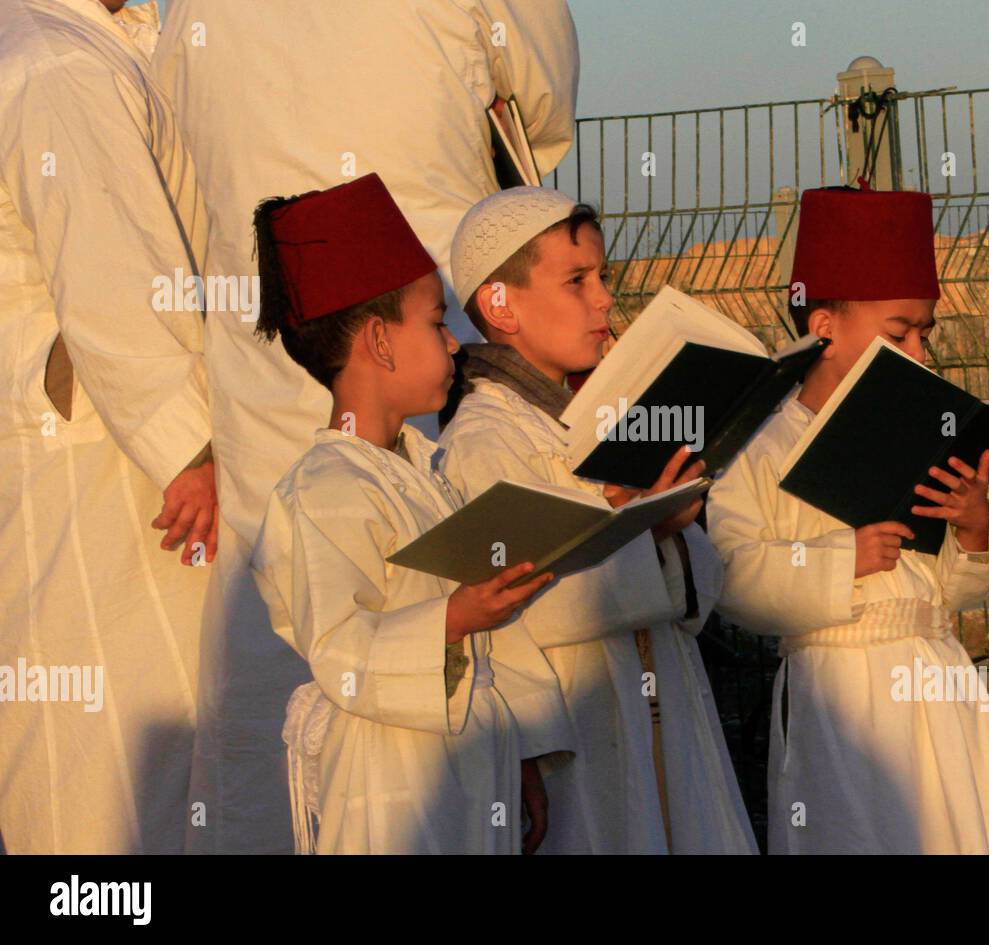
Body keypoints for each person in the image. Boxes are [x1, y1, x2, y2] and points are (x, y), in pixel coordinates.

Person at [151, 0, 579, 852]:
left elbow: (182, 168)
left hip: (283, 367)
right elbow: (540, 112)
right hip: (419, 322)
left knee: (270, 715)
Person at [437, 186, 758, 854]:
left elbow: (693, 584)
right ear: (501, 304)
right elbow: (520, 603)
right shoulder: (483, 438)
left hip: (660, 704)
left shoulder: (593, 415)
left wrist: (672, 522)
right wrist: (648, 530)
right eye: (577, 280)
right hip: (582, 735)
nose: (604, 299)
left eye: (603, 277)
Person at [248, 173, 561, 854]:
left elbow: (492, 637)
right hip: (387, 781)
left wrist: (526, 754)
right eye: (434, 321)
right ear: (379, 342)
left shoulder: (426, 466)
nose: (453, 343)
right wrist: (453, 618)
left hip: (474, 765)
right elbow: (340, 648)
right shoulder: (323, 487)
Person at [706, 185, 989, 854]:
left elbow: (953, 587)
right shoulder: (760, 444)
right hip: (841, 694)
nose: (920, 353)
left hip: (939, 680)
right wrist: (838, 558)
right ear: (824, 326)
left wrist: (974, 528)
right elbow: (732, 575)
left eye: (925, 332)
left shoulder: (925, 429)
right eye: (898, 332)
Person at [0, 0, 218, 853]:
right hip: (117, 466)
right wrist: (190, 448)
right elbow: (111, 276)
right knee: (112, 781)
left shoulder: (103, 44)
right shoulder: (57, 60)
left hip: (110, 451)